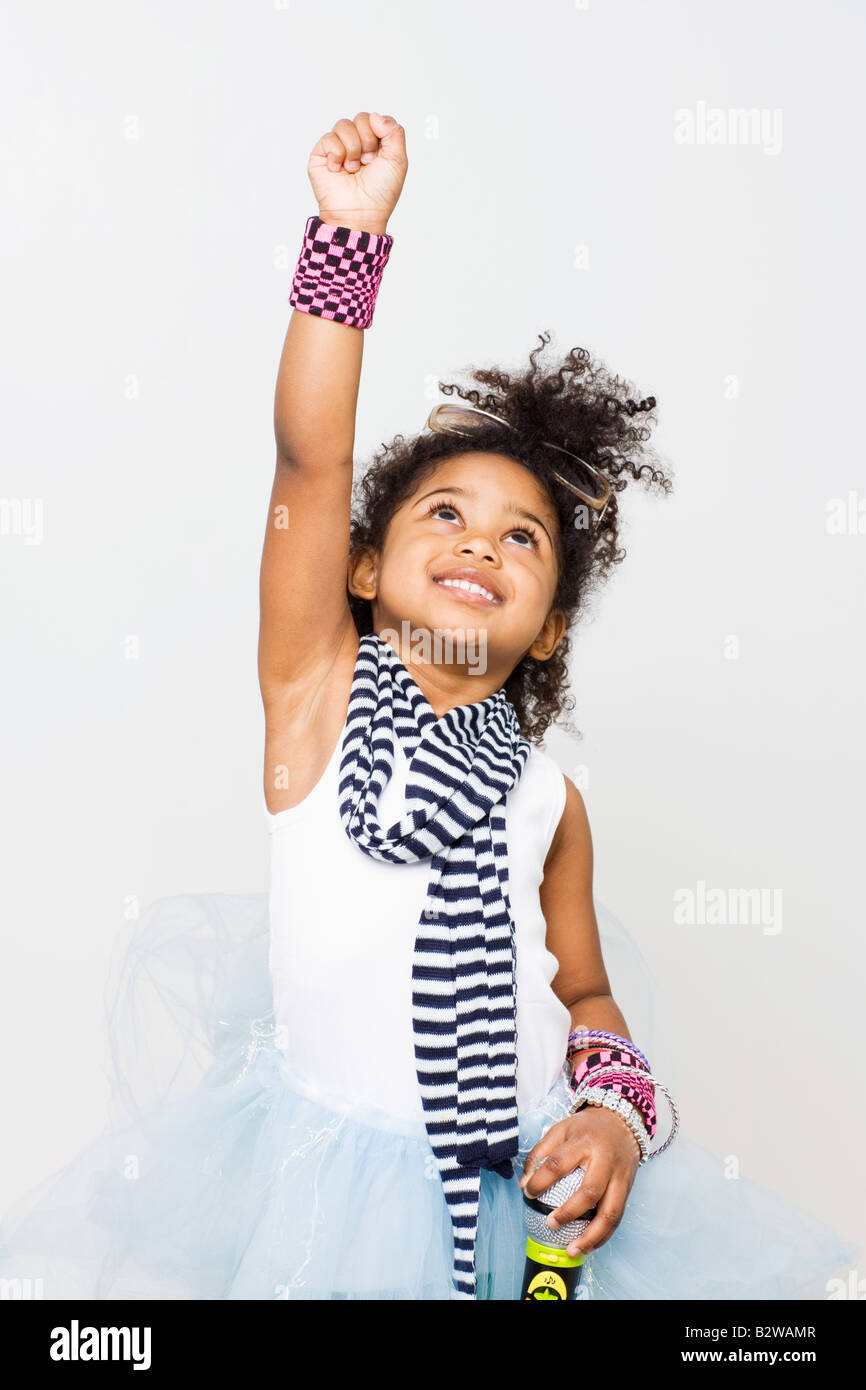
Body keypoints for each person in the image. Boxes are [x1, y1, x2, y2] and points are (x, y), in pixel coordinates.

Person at [0, 111, 857, 1302]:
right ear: (361, 569)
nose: (478, 544)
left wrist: (615, 1113)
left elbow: (586, 997)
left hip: (516, 1196)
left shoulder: (548, 799)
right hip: (336, 1206)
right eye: (441, 514)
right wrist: (347, 243)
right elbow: (309, 464)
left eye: (521, 538)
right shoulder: (318, 692)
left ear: (549, 623)